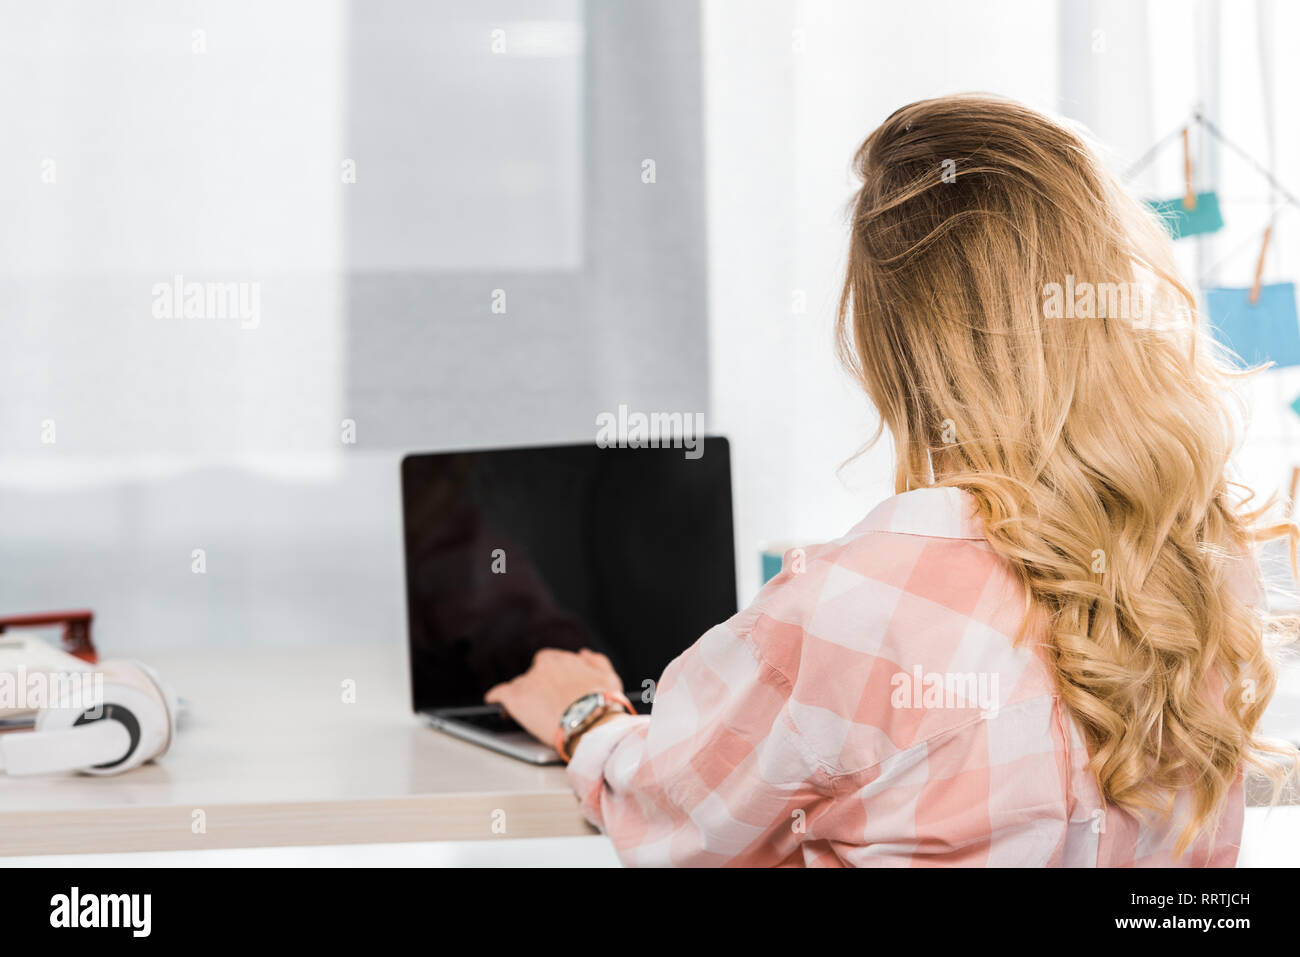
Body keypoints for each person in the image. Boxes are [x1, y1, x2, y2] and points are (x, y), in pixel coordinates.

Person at [486, 94, 1299, 867]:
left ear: (892, 344)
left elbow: (672, 814)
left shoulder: (857, 605)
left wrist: (586, 712)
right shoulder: (1200, 564)